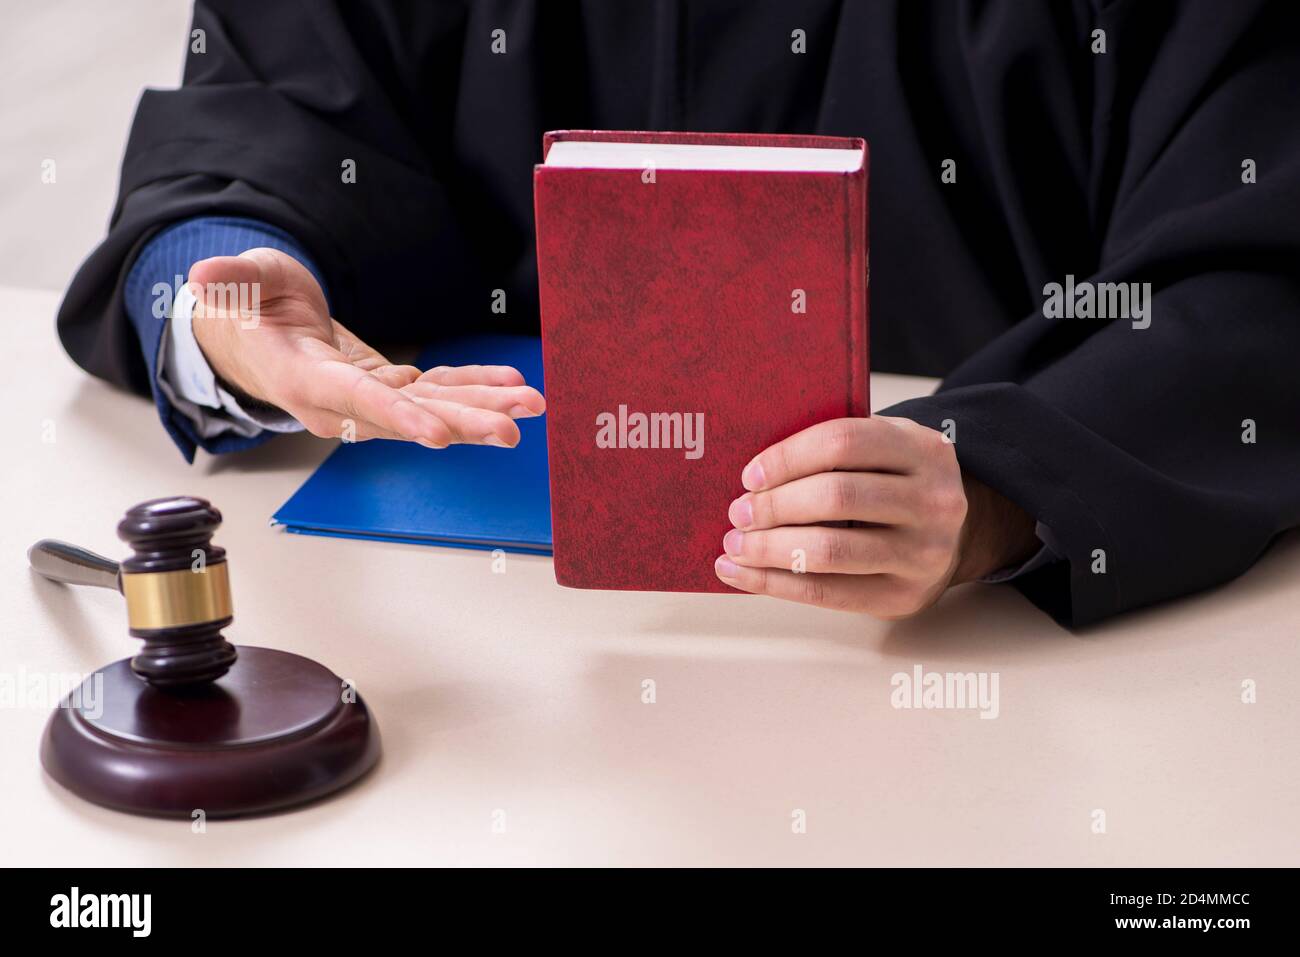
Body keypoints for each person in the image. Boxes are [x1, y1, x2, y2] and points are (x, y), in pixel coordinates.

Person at [58, 1, 1300, 627]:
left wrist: (1004, 488)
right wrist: (226, 276)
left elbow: (1256, 268)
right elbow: (271, 109)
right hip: (486, 650)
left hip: (997, 665)